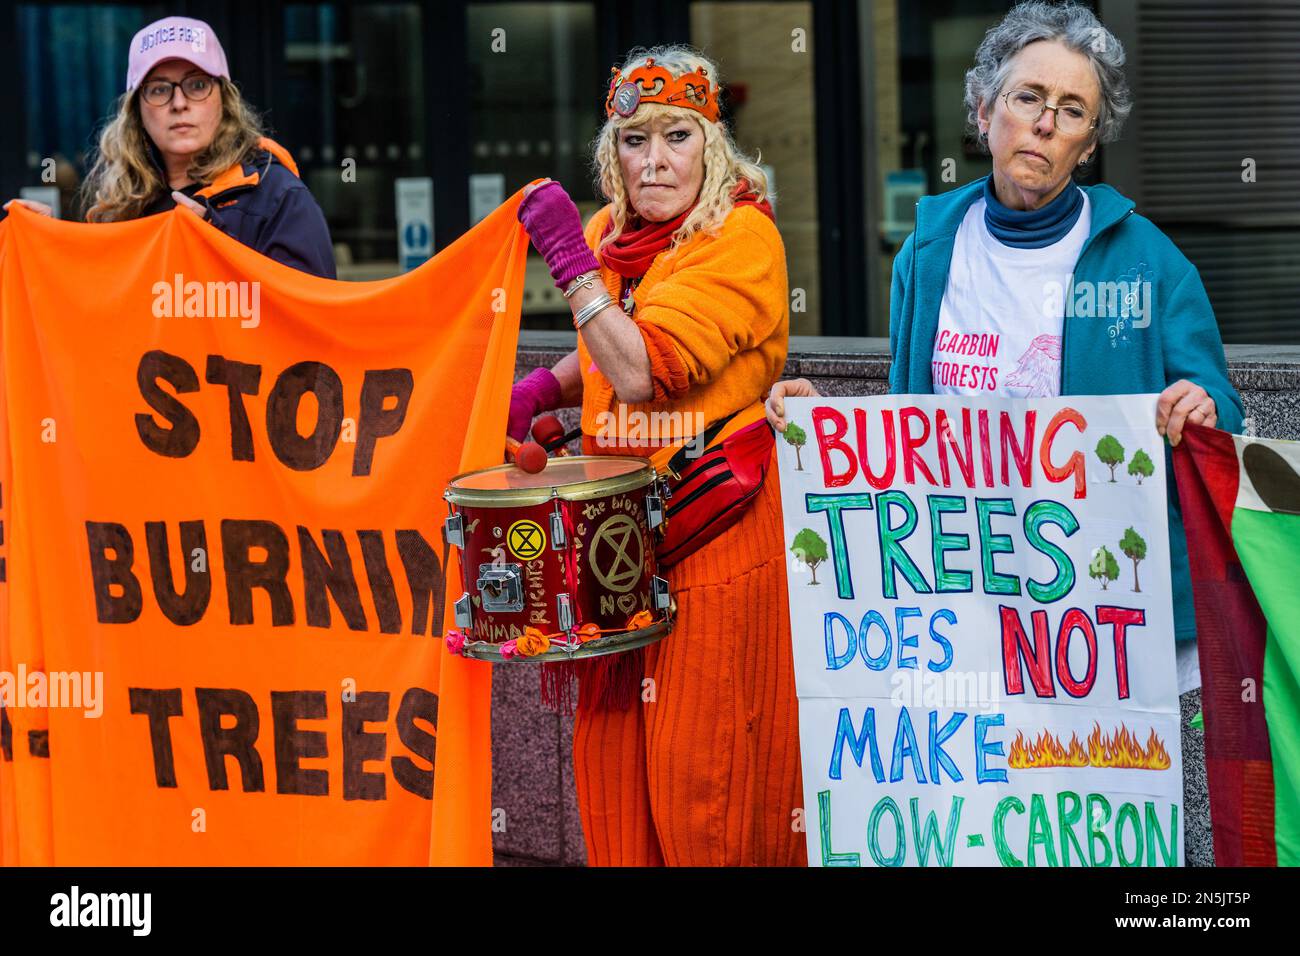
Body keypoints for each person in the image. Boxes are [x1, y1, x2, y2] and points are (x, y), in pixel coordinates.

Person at [765, 1, 1242, 865]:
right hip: (968, 604)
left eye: (1072, 112)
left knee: (1091, 816)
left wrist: (1198, 408)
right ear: (984, 109)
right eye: (1029, 98)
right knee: (979, 820)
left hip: (1096, 618)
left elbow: (1220, 408)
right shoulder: (929, 254)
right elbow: (910, 419)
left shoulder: (1148, 261)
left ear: (1090, 144)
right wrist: (815, 423)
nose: (1045, 124)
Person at [510, 46, 806, 866]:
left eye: (677, 135)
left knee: (698, 790)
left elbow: (640, 368)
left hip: (712, 534)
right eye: (634, 141)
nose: (656, 160)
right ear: (613, 154)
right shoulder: (612, 232)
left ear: (712, 144)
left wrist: (572, 271)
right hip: (615, 549)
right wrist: (550, 388)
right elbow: (607, 349)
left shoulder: (740, 236)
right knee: (609, 798)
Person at [4, 16, 335, 279]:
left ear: (225, 99)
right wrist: (49, 249)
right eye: (159, 89)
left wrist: (214, 247)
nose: (179, 103)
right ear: (136, 110)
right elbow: (98, 319)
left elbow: (309, 326)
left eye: (198, 85)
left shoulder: (279, 197)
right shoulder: (120, 206)